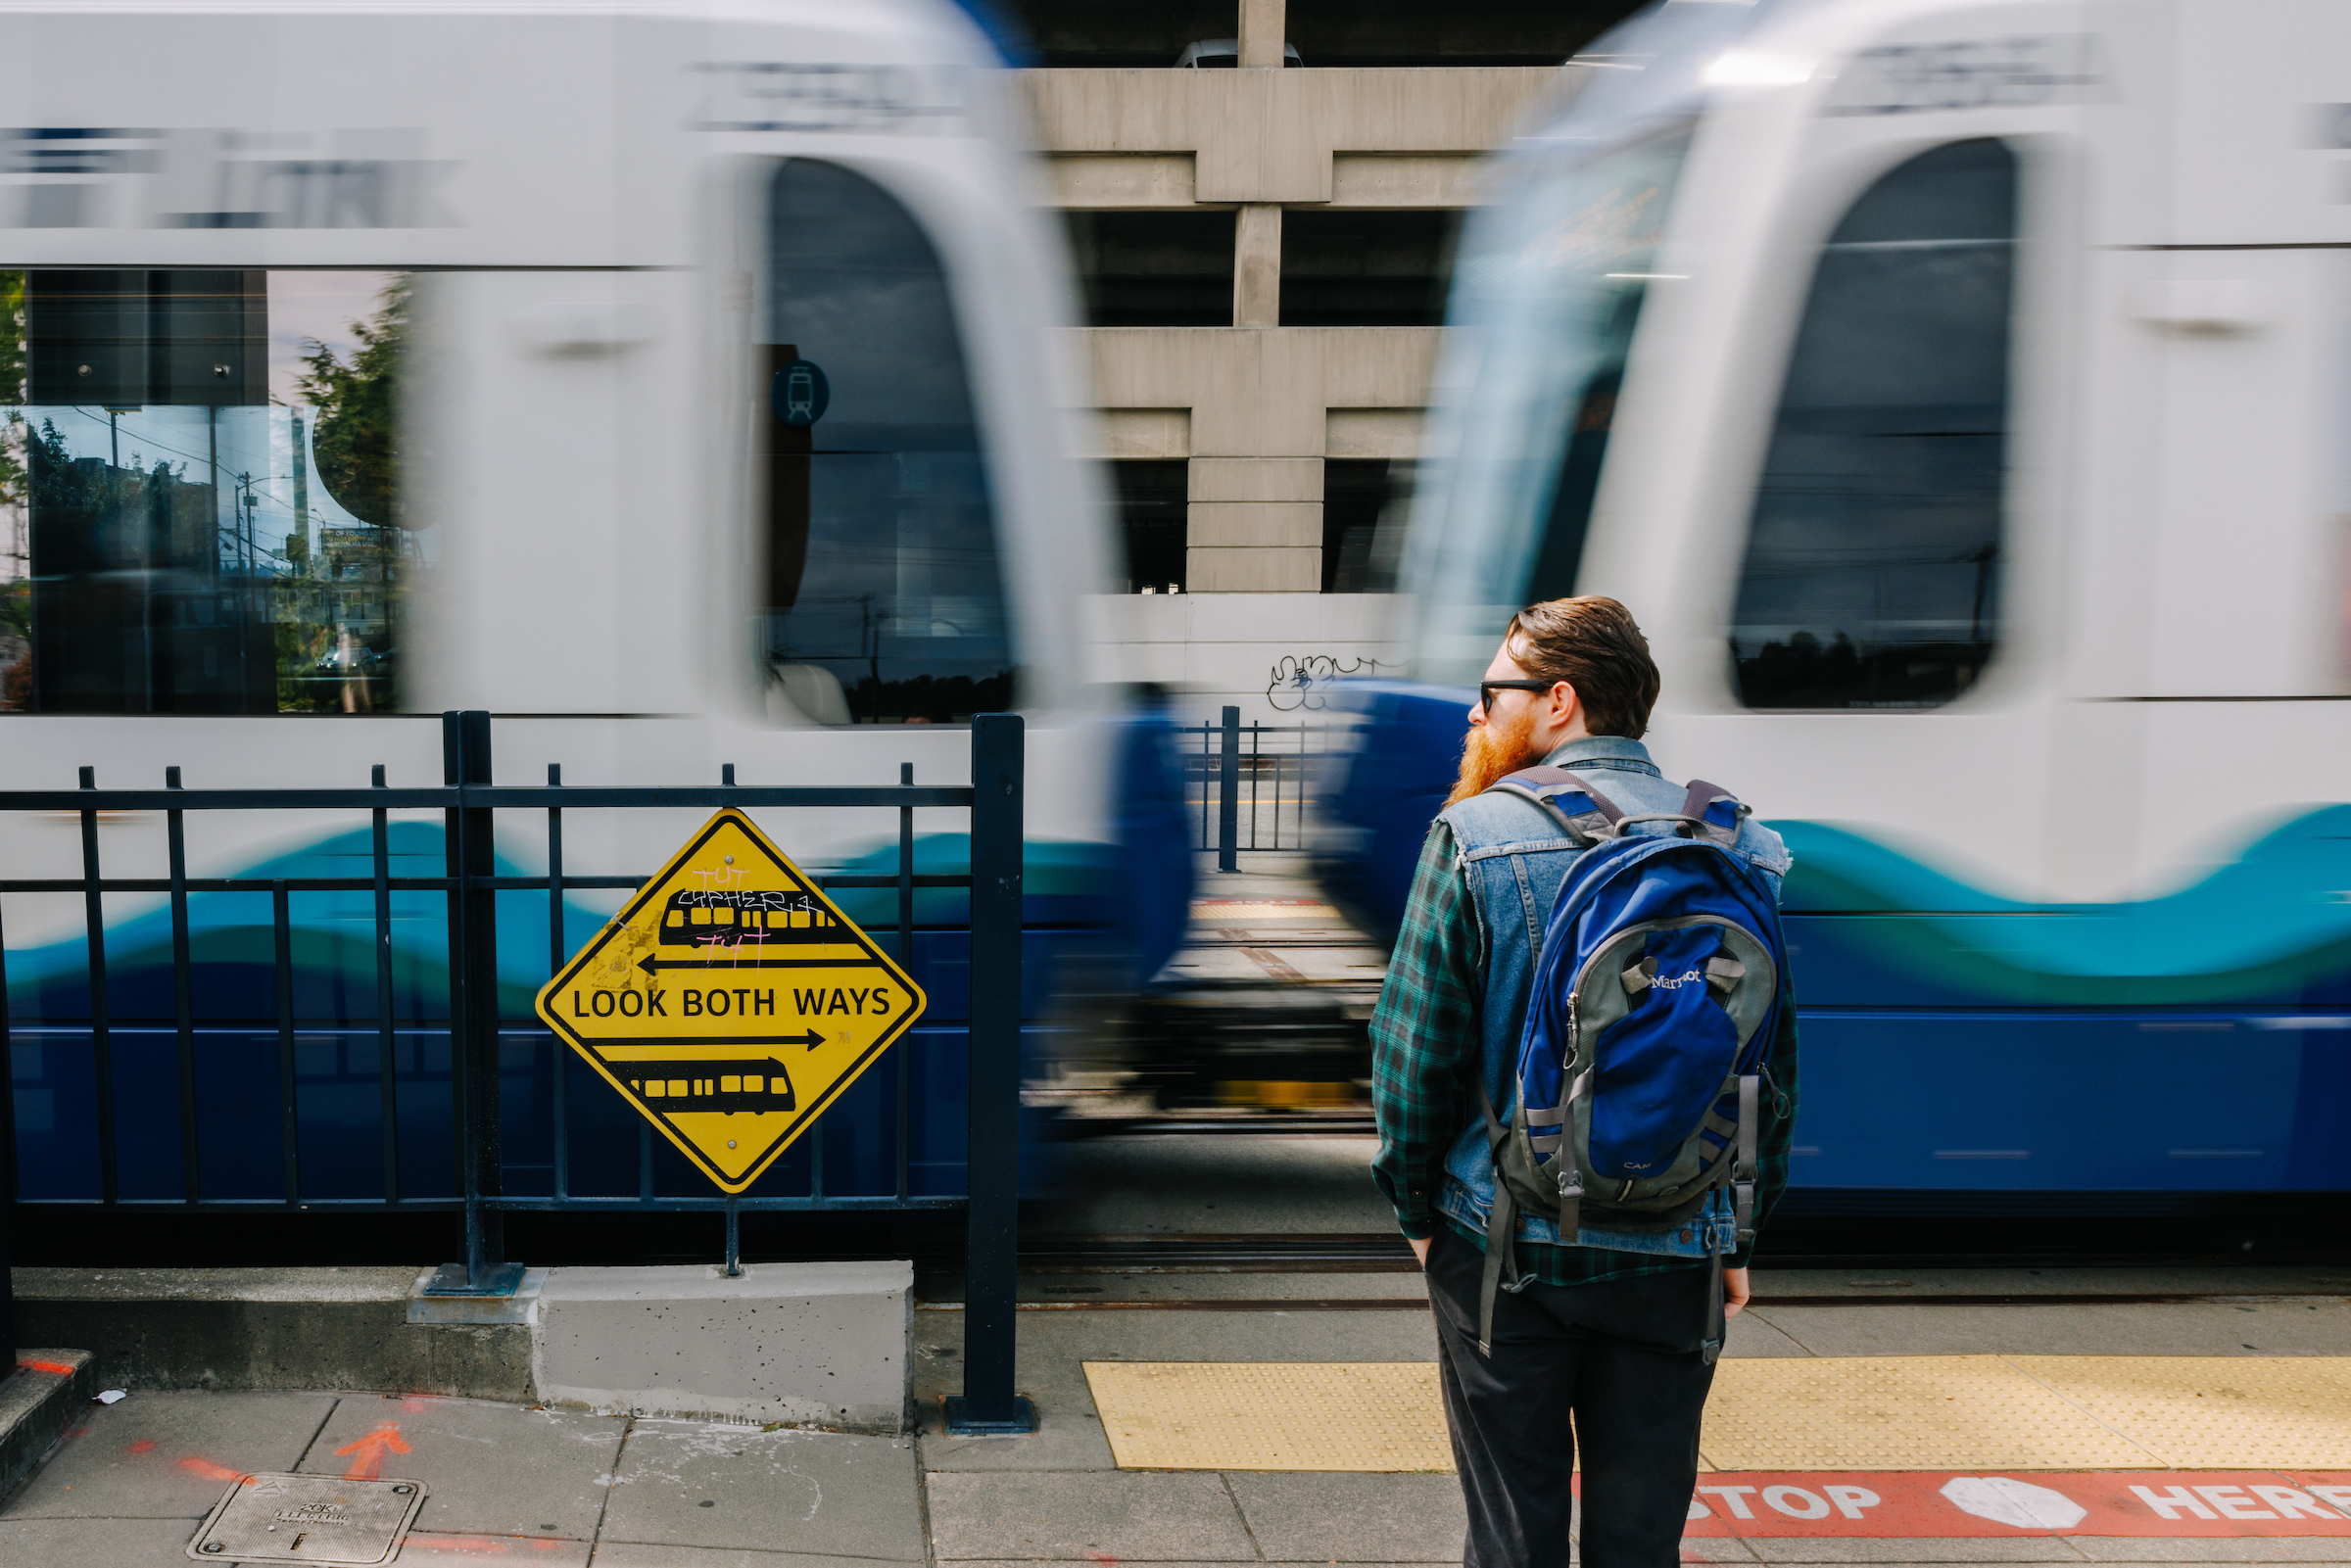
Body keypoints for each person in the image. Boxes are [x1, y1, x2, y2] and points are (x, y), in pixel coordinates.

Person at [1368, 595, 1799, 1568]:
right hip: (1677, 1242)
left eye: (1491, 692)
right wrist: (1737, 1228)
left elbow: (1412, 1055)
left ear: (1559, 700)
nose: (1474, 714)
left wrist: (1419, 1212)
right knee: (1641, 1535)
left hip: (1505, 1243)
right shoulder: (1739, 845)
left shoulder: (1474, 837)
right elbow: (1768, 1068)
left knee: (1513, 1531)